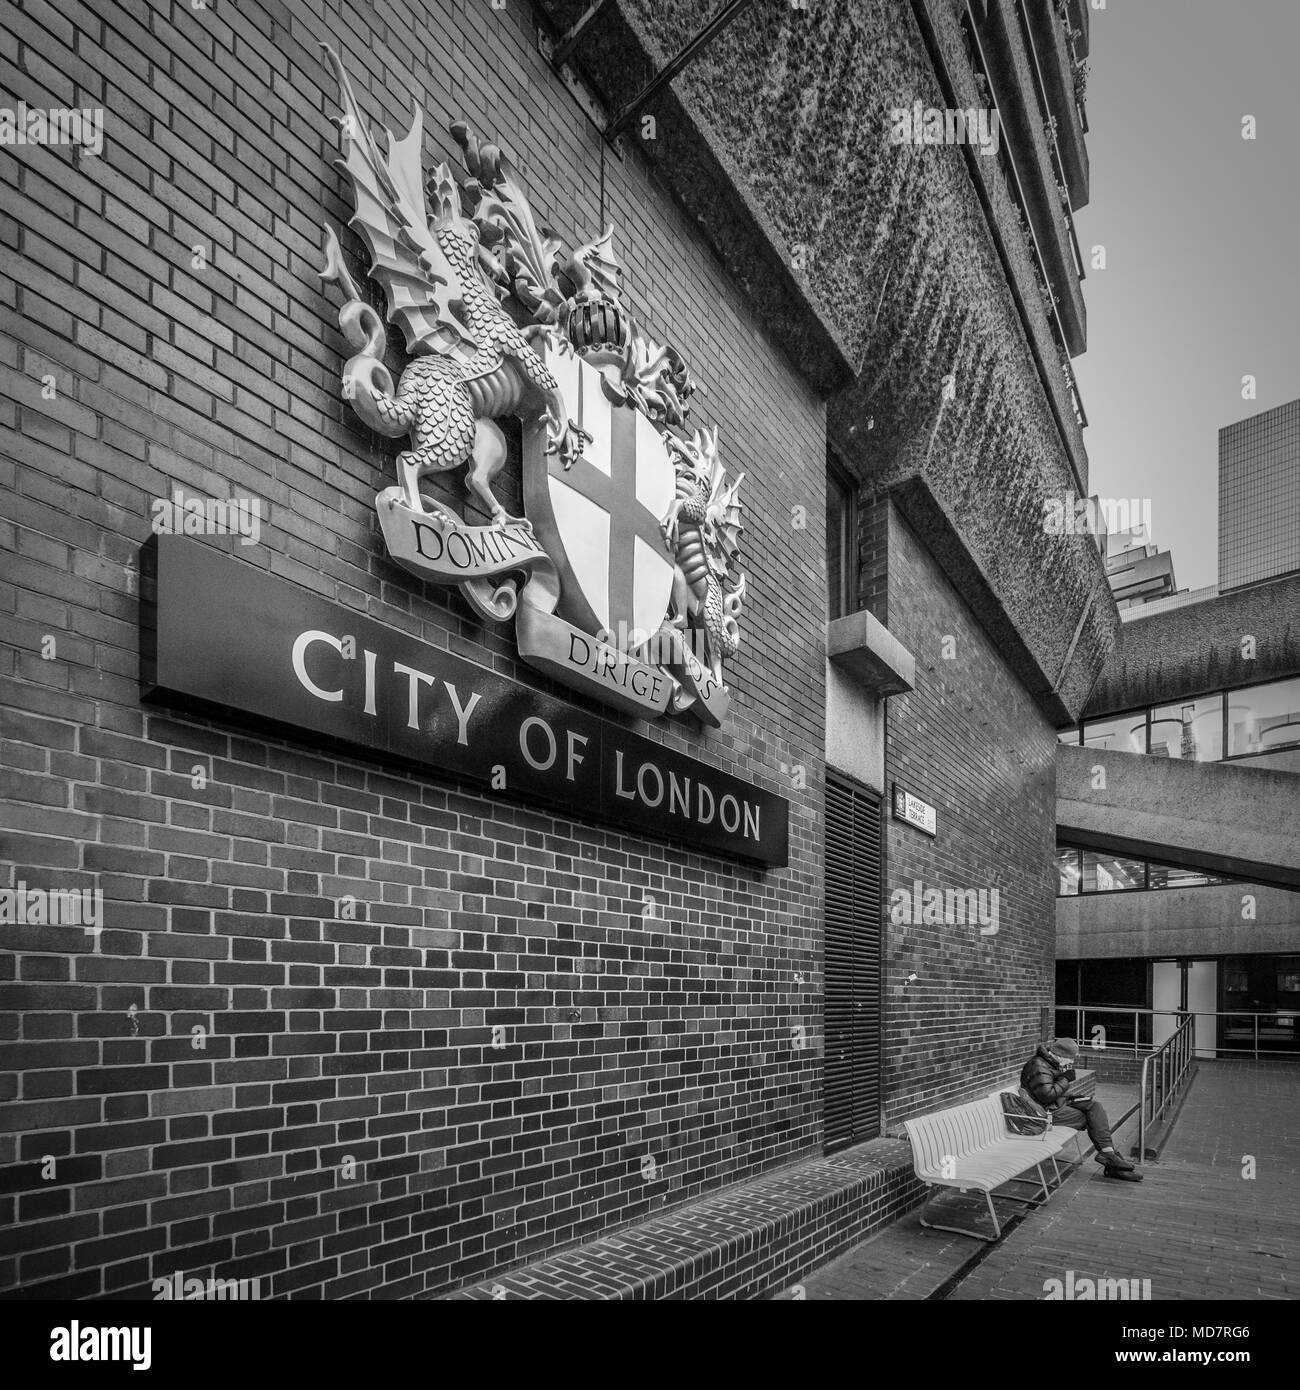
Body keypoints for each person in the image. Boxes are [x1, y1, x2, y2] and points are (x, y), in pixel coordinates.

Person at [1020, 1037, 1142, 1181]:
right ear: (1060, 1055)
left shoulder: (1048, 1063)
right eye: (1070, 1058)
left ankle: (1109, 1156)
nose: (1071, 1062)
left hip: (1056, 1103)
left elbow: (1051, 1092)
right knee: (1092, 1118)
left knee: (1095, 1106)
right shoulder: (1038, 1067)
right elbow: (1047, 1096)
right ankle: (1111, 1161)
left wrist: (1071, 1095)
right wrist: (1065, 1079)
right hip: (1046, 1112)